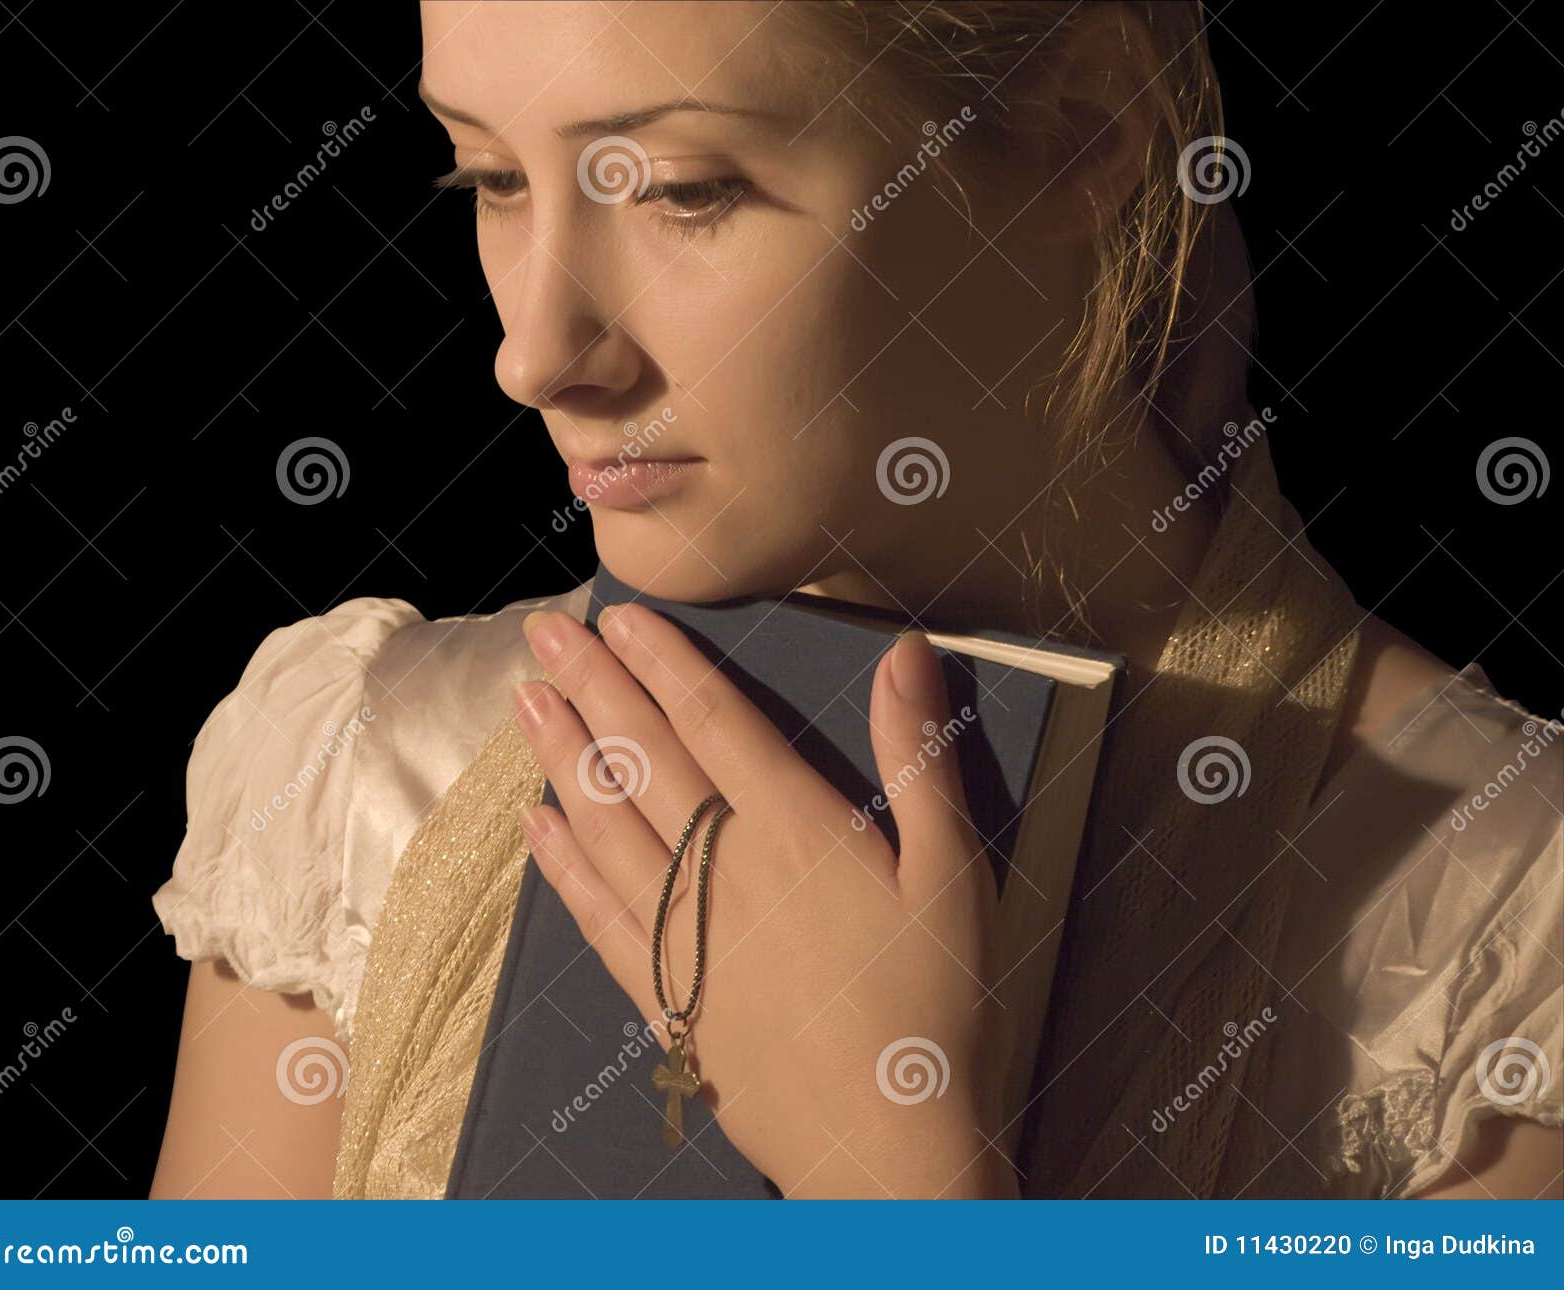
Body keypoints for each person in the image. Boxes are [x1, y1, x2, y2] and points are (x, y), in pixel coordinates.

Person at [149, 1, 1562, 1199]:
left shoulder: (1493, 928)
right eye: (490, 181)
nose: (534, 351)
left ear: (1080, 130)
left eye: (684, 188)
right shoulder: (354, 780)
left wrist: (896, 1184)